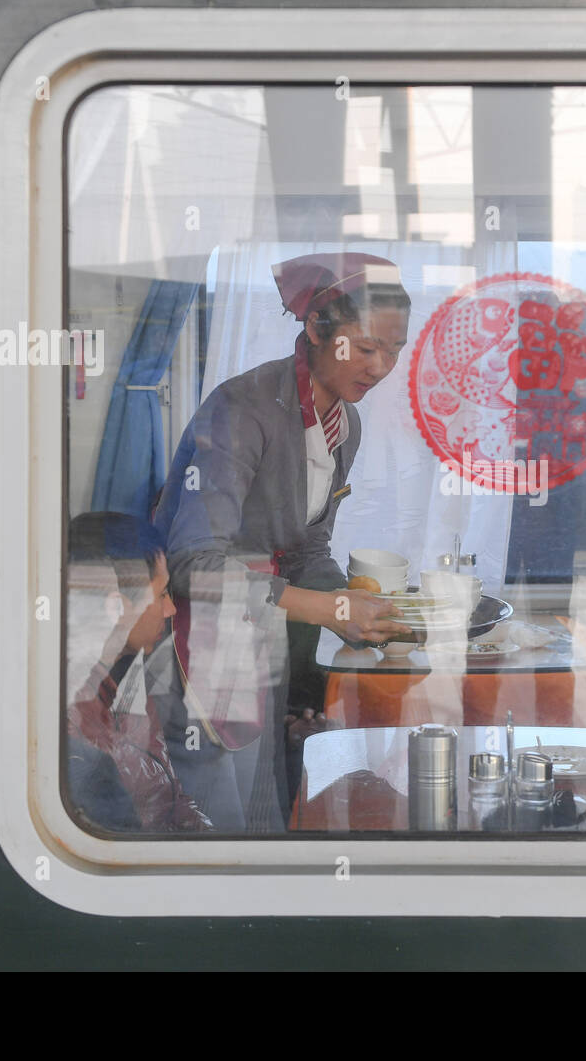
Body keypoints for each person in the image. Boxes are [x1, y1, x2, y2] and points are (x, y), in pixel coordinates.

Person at [154, 252, 411, 830]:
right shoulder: (242, 409)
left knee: (265, 810)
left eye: (394, 350)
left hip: (262, 639)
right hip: (199, 644)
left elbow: (305, 551)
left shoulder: (346, 423)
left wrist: (355, 608)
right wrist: (324, 606)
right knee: (213, 822)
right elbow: (192, 563)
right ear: (317, 329)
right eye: (366, 347)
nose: (380, 366)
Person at [65, 512, 211, 833]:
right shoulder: (71, 726)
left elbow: (168, 792)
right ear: (116, 607)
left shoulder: (127, 672)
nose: (171, 609)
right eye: (162, 595)